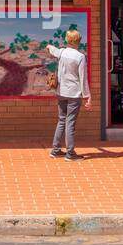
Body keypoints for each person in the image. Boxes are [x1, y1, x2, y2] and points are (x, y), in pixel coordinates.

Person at [46, 28, 91, 161]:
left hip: (61, 92)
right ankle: (70, 153)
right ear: (79, 40)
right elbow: (83, 78)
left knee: (61, 120)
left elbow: (53, 50)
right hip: (74, 93)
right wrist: (87, 96)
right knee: (70, 122)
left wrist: (49, 46)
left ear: (67, 40)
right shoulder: (80, 57)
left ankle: (56, 150)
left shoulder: (62, 52)